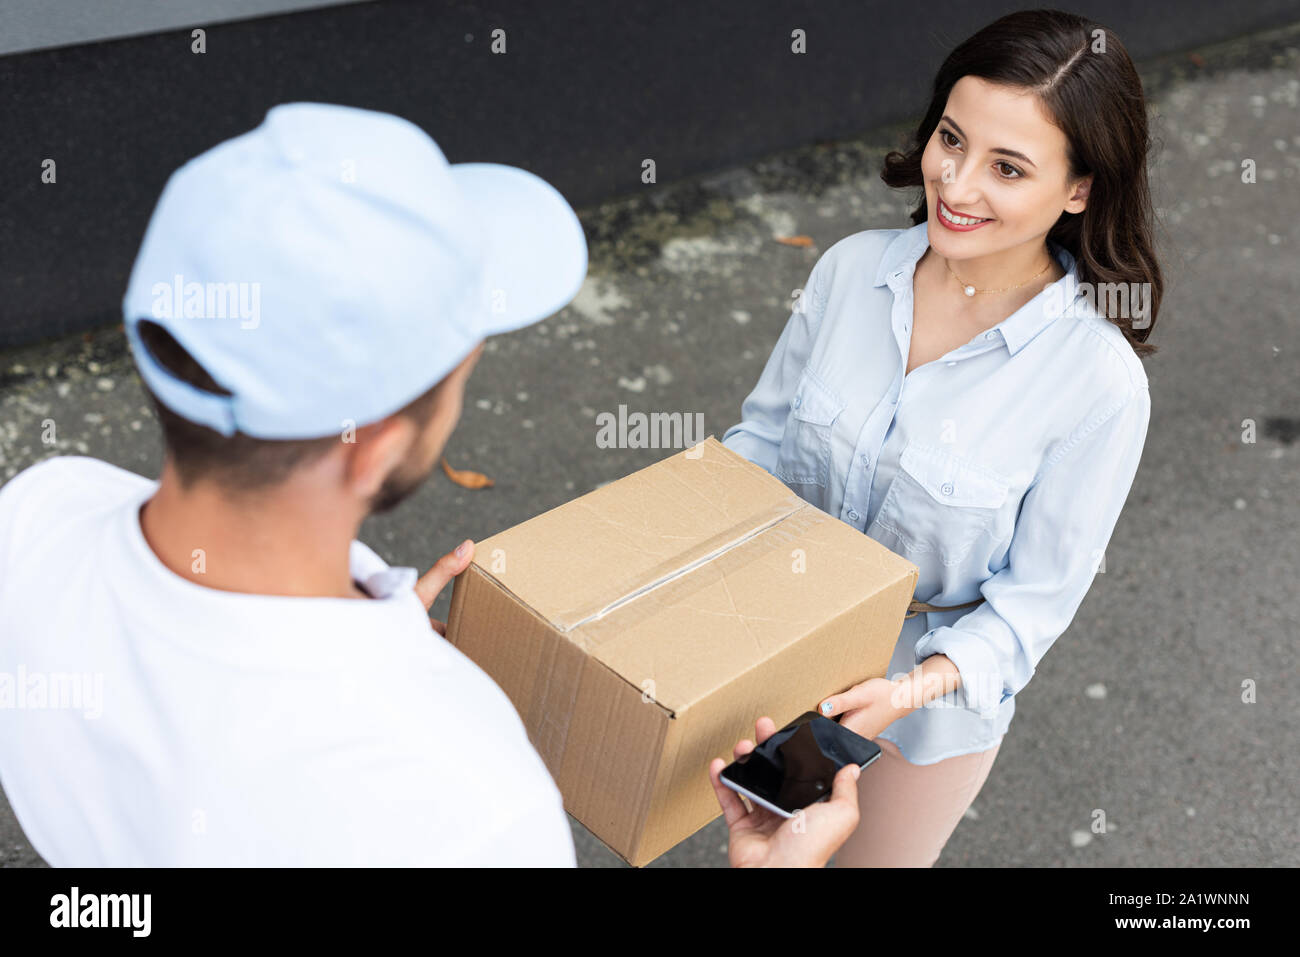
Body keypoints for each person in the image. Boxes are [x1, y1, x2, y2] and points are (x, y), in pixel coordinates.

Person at [0, 102, 858, 867]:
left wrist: (363, 646)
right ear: (368, 449)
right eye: (462, 365)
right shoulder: (471, 808)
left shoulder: (36, 511)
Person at [722, 9, 1159, 867]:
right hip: (770, 651)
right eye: (951, 140)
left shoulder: (1098, 385)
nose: (956, 187)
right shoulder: (850, 269)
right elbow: (761, 444)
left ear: (1080, 189)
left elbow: (1028, 612)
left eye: (1008, 167)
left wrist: (904, 691)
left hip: (920, 715)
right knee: (755, 857)